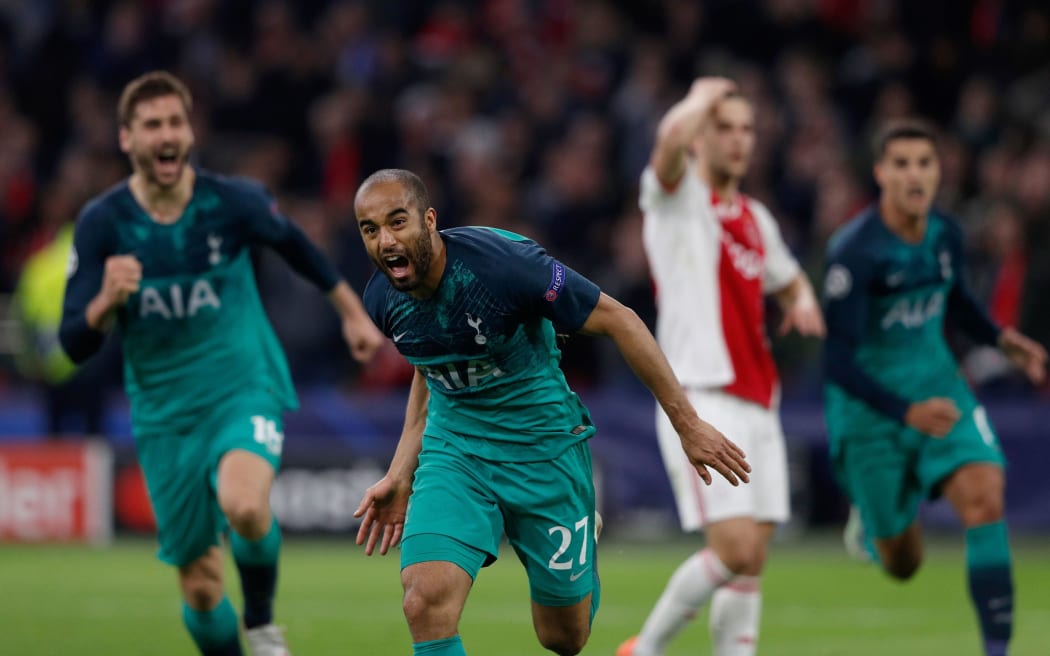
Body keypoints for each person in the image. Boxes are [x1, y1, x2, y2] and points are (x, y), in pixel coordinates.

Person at [349, 168, 752, 656]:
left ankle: (582, 536)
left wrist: (687, 425)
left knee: (563, 637)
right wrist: (400, 473)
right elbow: (430, 368)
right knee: (423, 600)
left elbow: (621, 320)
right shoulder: (382, 297)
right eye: (371, 229)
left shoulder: (504, 266)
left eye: (398, 222)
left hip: (543, 446)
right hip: (457, 450)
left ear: (429, 220)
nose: (385, 240)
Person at [58, 70, 384, 656]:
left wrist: (351, 312)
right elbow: (73, 343)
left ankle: (261, 623)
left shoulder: (230, 202)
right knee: (202, 587)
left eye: (176, 122)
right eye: (152, 124)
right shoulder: (103, 223)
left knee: (245, 504)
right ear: (127, 139)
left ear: (191, 132)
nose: (167, 134)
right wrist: (106, 302)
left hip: (241, 385)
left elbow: (294, 244)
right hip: (164, 414)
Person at [617, 77, 826, 656]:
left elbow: (788, 278)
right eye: (722, 128)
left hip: (761, 400)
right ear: (698, 140)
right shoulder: (675, 199)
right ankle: (645, 649)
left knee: (751, 558)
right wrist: (699, 99)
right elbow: (666, 142)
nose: (737, 140)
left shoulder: (756, 217)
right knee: (732, 549)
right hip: (701, 395)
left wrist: (802, 301)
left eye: (745, 129)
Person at [822, 119, 1047, 656]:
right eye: (900, 164)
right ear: (880, 173)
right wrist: (905, 412)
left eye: (924, 163)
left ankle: (998, 650)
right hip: (872, 412)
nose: (914, 175)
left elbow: (957, 300)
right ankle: (872, 526)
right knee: (904, 563)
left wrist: (1000, 338)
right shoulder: (856, 251)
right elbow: (837, 361)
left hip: (941, 388)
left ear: (939, 171)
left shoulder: (946, 232)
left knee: (985, 498)